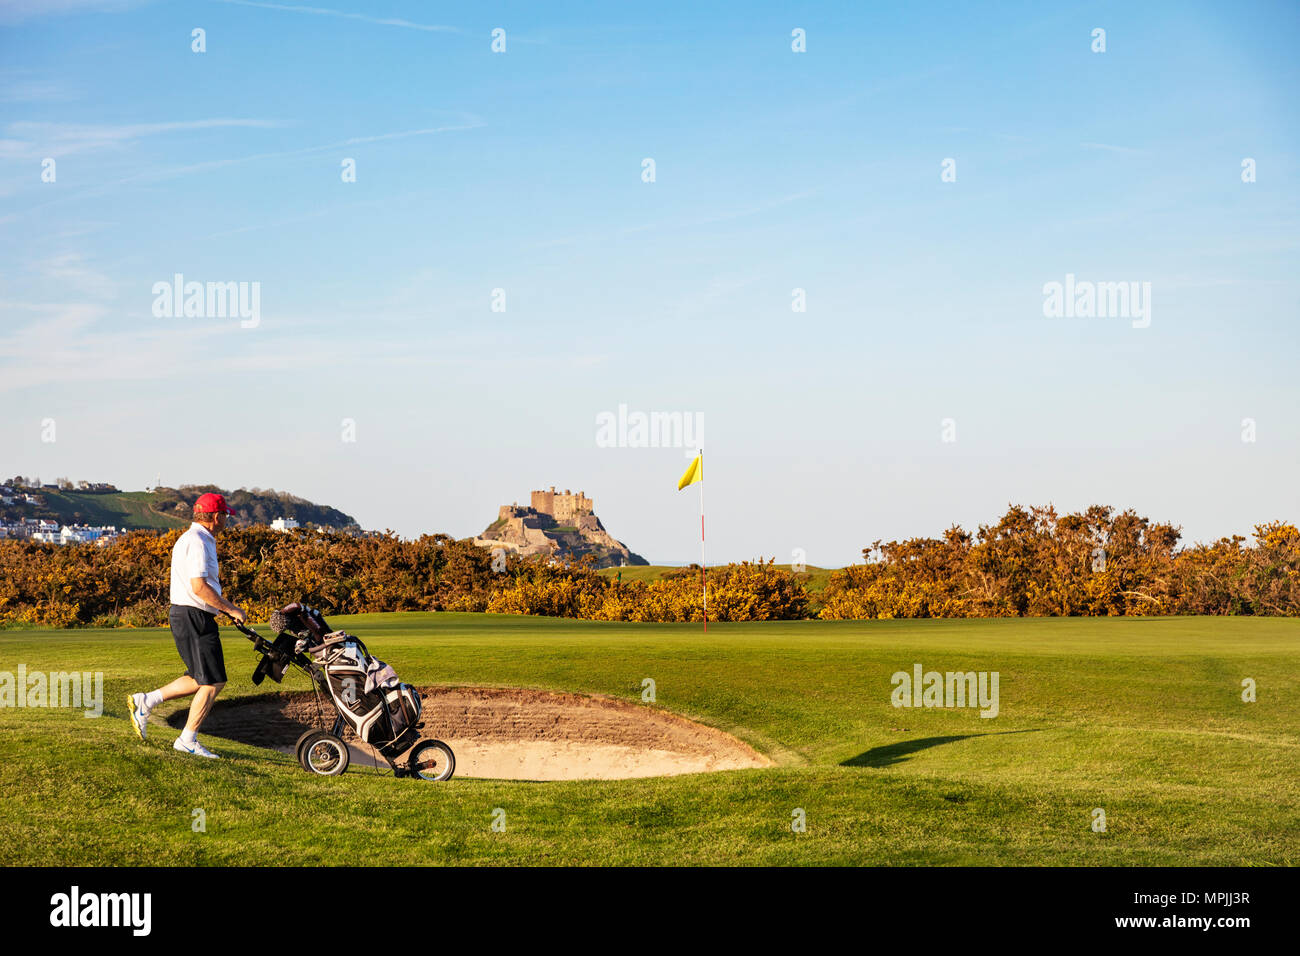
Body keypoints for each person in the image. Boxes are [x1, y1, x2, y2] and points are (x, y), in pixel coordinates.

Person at [127, 492, 247, 758]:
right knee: (213, 682)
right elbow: (199, 586)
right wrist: (232, 610)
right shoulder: (199, 541)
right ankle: (187, 739)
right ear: (216, 517)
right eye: (225, 515)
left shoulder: (194, 538)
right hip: (194, 616)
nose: (227, 519)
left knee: (197, 677)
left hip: (190, 615)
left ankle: (145, 701)